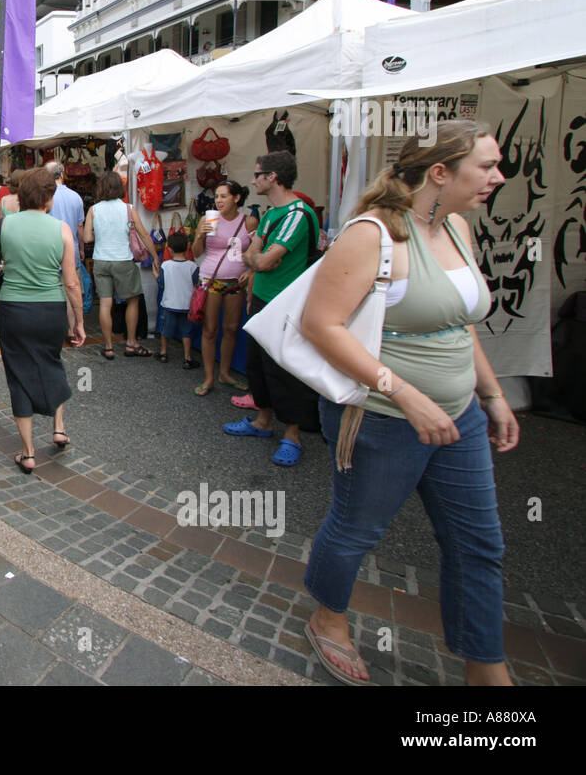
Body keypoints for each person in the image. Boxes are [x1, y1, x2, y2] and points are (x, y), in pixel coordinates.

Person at [299, 121, 515, 686]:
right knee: (357, 529)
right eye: (487, 166)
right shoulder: (372, 234)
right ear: (439, 173)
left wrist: (490, 394)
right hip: (381, 418)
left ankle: (487, 670)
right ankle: (328, 619)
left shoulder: (459, 227)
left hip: (459, 414)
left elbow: (458, 323)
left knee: (478, 542)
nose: (498, 175)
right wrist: (406, 394)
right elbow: (321, 324)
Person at [0, 168, 84, 472]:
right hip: (51, 308)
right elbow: (72, 283)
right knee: (52, 361)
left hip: (14, 309)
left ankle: (28, 453)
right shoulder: (62, 229)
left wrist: (0, 266)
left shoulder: (3, 225)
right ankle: (59, 427)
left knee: (19, 374)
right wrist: (77, 320)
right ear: (48, 197)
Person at [223, 151, 320, 466]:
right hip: (263, 300)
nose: (253, 180)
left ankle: (292, 435)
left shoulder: (296, 214)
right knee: (259, 365)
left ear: (273, 177)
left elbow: (261, 259)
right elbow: (255, 257)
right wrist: (256, 257)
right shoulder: (271, 214)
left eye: (257, 174)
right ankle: (263, 421)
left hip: (286, 304)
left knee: (286, 370)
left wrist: (256, 255)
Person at [82, 170, 159, 358]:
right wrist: (155, 256)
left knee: (106, 304)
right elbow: (143, 235)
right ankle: (131, 343)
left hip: (101, 260)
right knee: (132, 301)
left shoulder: (94, 209)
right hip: (123, 261)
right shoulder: (128, 209)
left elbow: (87, 237)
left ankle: (108, 347)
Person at [191, 180, 258, 395]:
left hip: (236, 282)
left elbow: (256, 252)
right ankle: (209, 377)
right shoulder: (207, 219)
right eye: (217, 196)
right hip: (210, 279)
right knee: (210, 330)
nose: (218, 201)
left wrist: (251, 271)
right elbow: (196, 252)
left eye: (223, 196)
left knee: (231, 328)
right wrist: (200, 234)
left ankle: (225, 373)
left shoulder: (249, 222)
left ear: (236, 198)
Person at [157, 232, 196, 366]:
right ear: (187, 248)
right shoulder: (193, 266)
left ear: (169, 249)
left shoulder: (165, 265)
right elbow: (197, 285)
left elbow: (161, 283)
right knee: (186, 332)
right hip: (186, 305)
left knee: (165, 330)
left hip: (169, 304)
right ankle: (187, 358)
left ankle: (163, 353)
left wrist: (155, 274)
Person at [45, 161, 84, 272]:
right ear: (62, 174)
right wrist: (81, 249)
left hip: (49, 253)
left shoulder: (44, 196)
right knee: (72, 286)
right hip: (72, 251)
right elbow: (80, 227)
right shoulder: (76, 197)